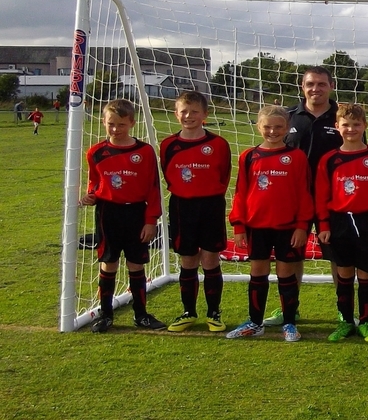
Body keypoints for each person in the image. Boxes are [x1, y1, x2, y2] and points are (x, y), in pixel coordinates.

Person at [226, 105, 313, 342]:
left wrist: (301, 226)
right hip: (257, 226)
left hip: (287, 227)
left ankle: (290, 323)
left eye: (278, 127)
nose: (272, 131)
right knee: (258, 273)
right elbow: (241, 193)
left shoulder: (296, 157)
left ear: (287, 128)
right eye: (267, 127)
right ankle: (255, 322)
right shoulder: (248, 156)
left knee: (286, 274)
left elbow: (305, 194)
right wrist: (239, 227)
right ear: (259, 127)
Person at [264, 66, 342, 326]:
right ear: (302, 86)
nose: (315, 89)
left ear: (331, 86)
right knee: (292, 254)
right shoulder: (288, 117)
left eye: (321, 84)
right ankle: (289, 308)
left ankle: (343, 309)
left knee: (336, 256)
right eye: (310, 84)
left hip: (332, 200)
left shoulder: (341, 117)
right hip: (293, 199)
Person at [81, 99, 165, 332]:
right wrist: (91, 196)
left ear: (131, 123)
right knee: (109, 263)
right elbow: (95, 184)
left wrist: (151, 221)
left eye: (121, 124)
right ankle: (105, 314)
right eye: (111, 124)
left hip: (136, 212)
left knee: (136, 264)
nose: (115, 129)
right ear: (103, 122)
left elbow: (153, 188)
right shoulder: (96, 152)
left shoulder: (144, 151)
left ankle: (141, 315)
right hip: (108, 213)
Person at [315, 103, 368, 344]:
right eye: (345, 125)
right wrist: (324, 226)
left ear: (364, 126)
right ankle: (346, 322)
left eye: (356, 124)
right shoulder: (329, 159)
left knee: (366, 273)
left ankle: (366, 322)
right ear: (337, 126)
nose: (351, 129)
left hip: (367, 221)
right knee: (344, 273)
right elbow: (321, 195)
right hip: (339, 222)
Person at [161, 91, 232, 333]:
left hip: (211, 205)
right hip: (182, 206)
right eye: (184, 111)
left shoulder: (218, 144)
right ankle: (188, 312)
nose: (188, 116)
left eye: (194, 112)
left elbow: (224, 175)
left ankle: (214, 312)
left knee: (211, 259)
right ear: (176, 114)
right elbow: (167, 175)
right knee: (188, 259)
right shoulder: (168, 145)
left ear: (205, 115)